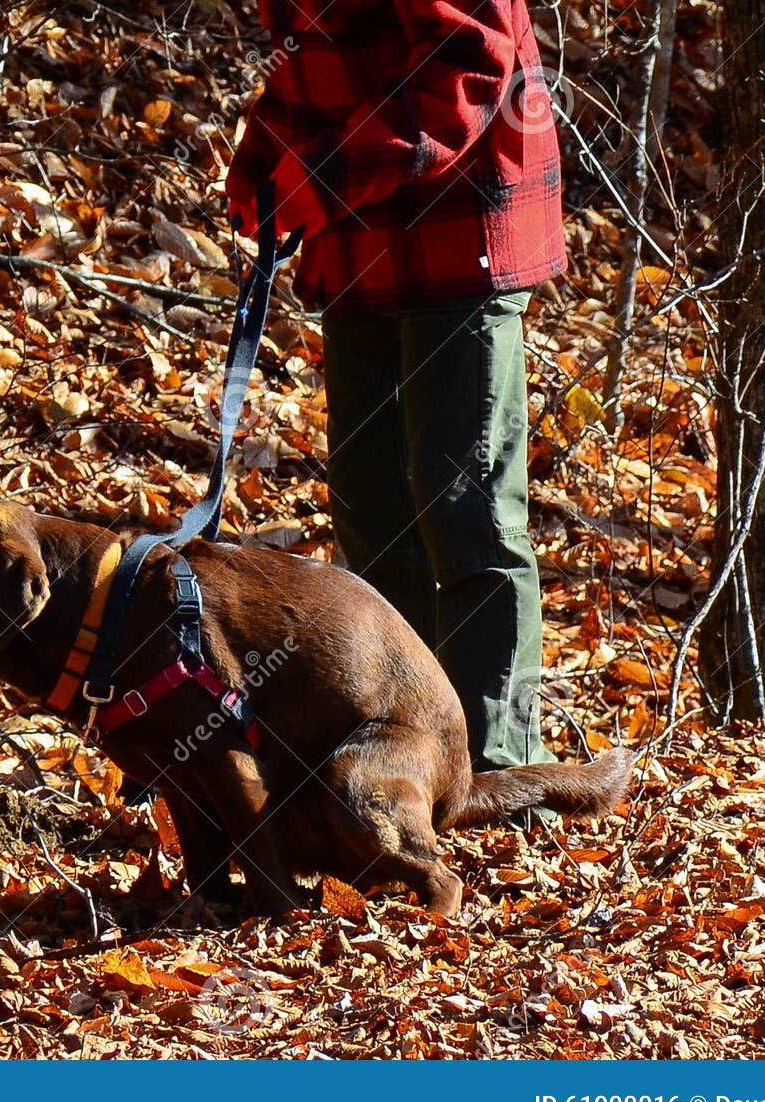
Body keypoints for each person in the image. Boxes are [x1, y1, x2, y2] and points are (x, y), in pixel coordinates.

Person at [226, 0, 566, 770]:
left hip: (462, 227)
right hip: (359, 243)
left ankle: (494, 766)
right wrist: (261, 164)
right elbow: (309, 65)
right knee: (369, 502)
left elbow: (472, 65)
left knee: (466, 506)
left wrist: (319, 177)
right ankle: (404, 757)